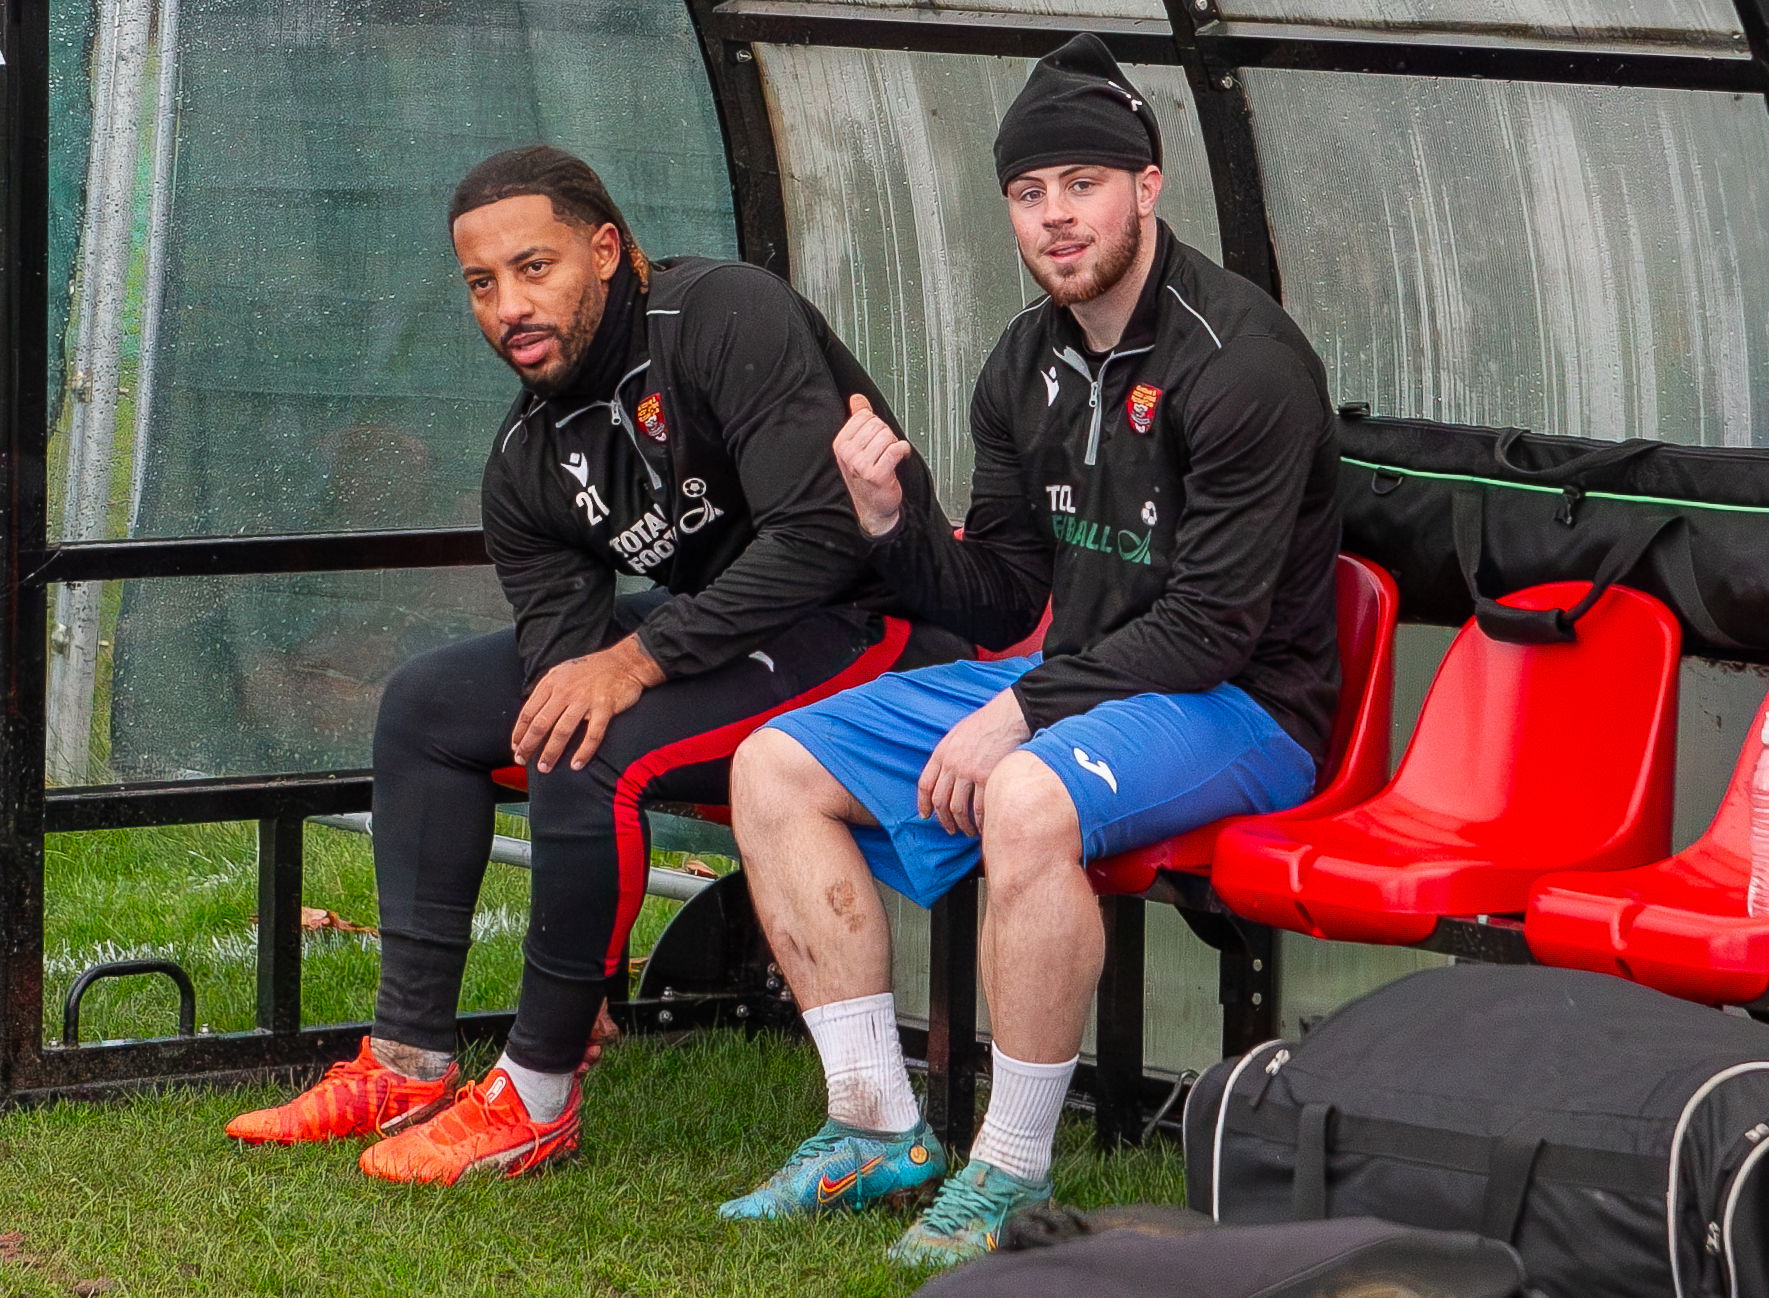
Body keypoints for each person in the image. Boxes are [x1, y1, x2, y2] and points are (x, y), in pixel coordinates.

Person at [224, 145, 966, 1183]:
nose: (508, 306)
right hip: (728, 633)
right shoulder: (524, 463)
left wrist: (640, 657)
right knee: (432, 706)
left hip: (870, 626)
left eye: (535, 267)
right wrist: (611, 673)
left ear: (606, 250)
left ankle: (536, 1094)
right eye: (481, 283)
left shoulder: (723, 314)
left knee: (598, 739)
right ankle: (406, 1060)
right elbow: (560, 673)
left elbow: (818, 538)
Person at [720, 34, 1341, 1267]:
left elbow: (1212, 625)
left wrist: (1021, 712)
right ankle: (872, 1123)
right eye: (1027, 190)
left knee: (1021, 789)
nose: (1054, 215)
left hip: (1243, 704)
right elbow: (1003, 594)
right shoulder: (1023, 360)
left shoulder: (1244, 361)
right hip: (1087, 679)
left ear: (1146, 186)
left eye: (1082, 183)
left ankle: (1006, 1169)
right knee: (772, 764)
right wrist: (889, 522)